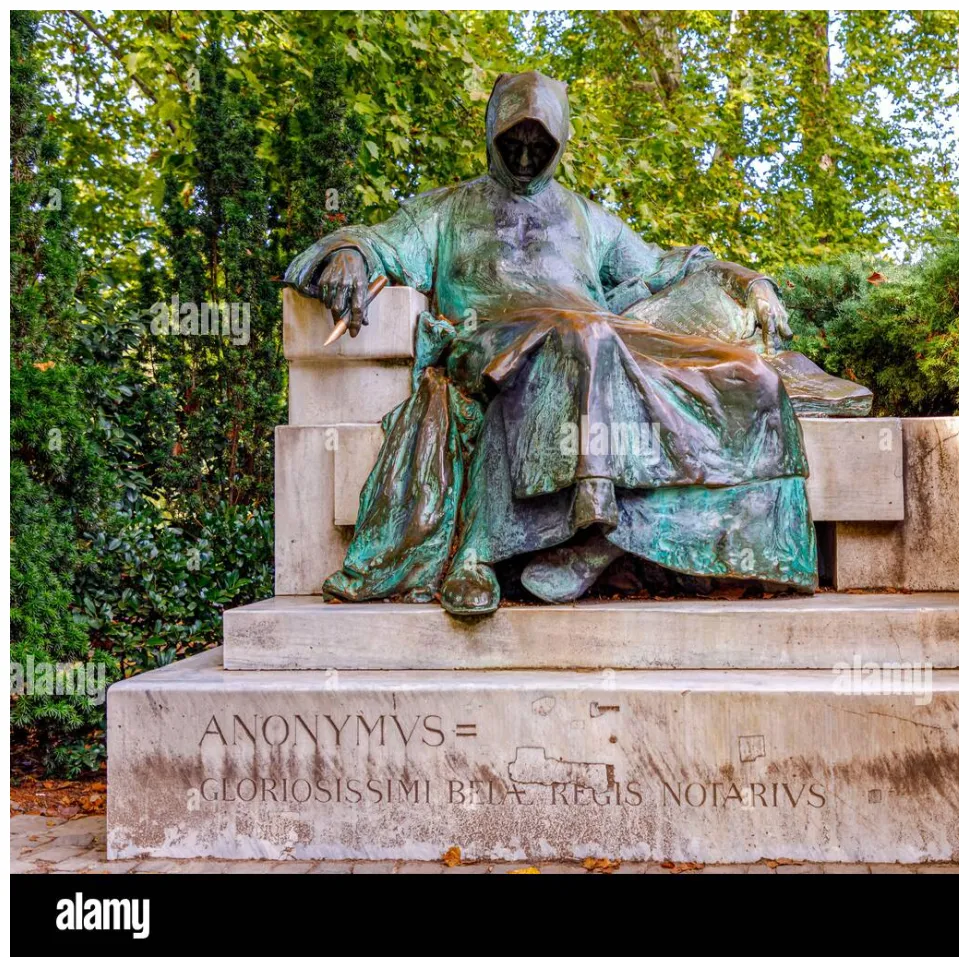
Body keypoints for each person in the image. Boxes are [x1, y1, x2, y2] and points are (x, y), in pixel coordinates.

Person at [286, 70, 816, 616]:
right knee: (582, 336)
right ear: (491, 134)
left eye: (537, 147)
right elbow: (377, 242)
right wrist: (348, 253)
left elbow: (670, 265)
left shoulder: (589, 219)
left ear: (560, 145)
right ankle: (489, 550)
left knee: (749, 373)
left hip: (594, 340)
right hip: (490, 340)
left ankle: (604, 540)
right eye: (510, 143)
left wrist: (753, 283)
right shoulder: (444, 210)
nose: (521, 159)